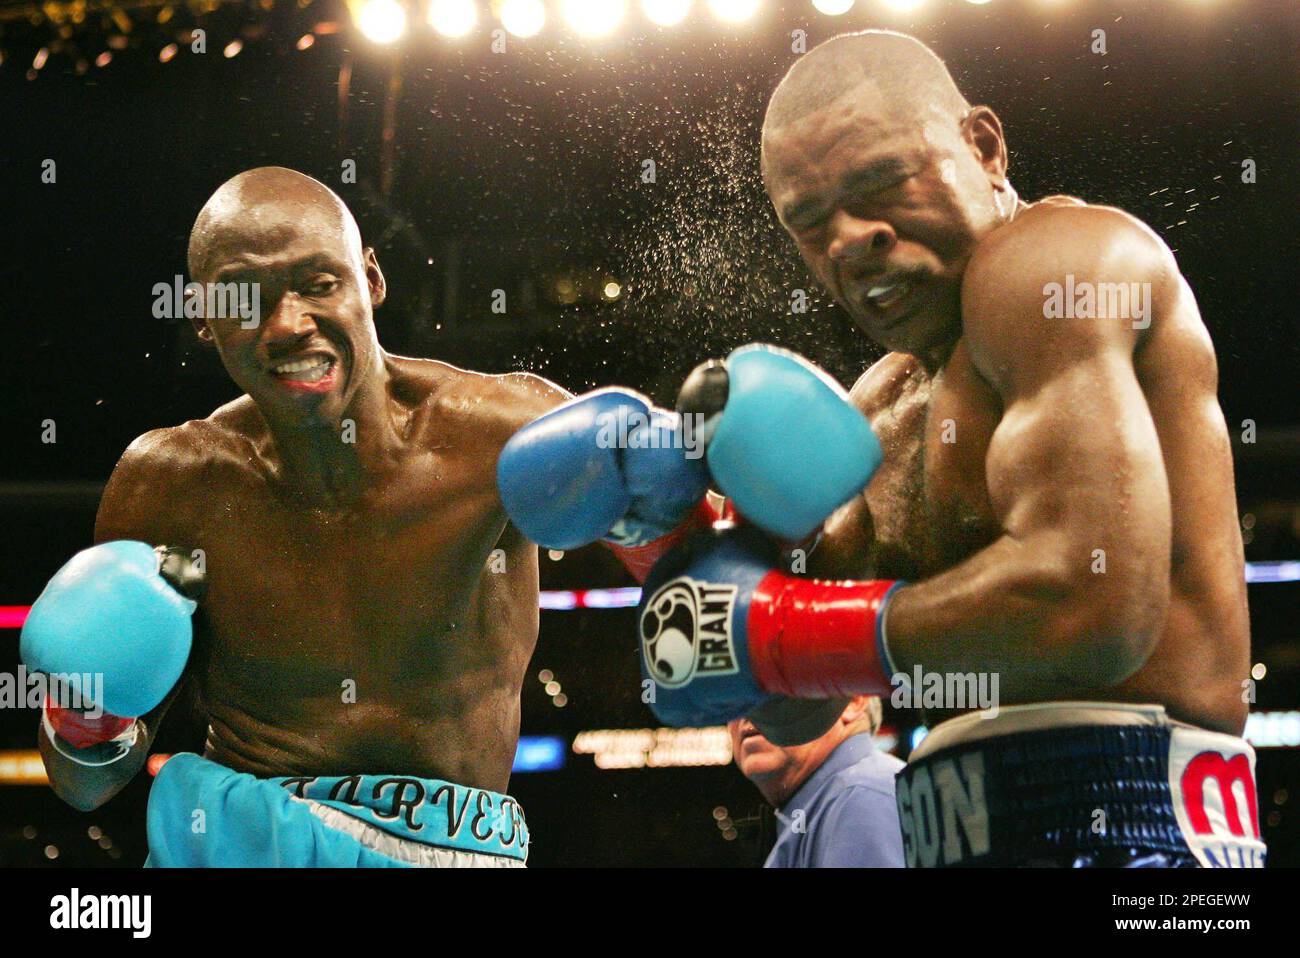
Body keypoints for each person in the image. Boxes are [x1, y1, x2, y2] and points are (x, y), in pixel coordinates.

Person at [617, 31, 1265, 868]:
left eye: (882, 182)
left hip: (1141, 834)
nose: (849, 240)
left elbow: (1093, 603)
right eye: (810, 224)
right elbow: (799, 711)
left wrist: (781, 628)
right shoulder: (873, 410)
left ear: (984, 147)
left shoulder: (1054, 266)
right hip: (947, 830)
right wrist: (677, 553)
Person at [21, 166, 711, 867]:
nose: (288, 324)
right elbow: (85, 785)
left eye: (319, 283)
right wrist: (85, 720)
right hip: (244, 843)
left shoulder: (504, 434)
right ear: (201, 316)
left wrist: (687, 495)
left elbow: (709, 591)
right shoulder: (169, 485)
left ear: (370, 281)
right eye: (245, 297)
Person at [731, 696, 904, 867]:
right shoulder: (840, 799)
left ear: (852, 700)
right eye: (736, 698)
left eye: (774, 692)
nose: (749, 712)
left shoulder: (862, 796)